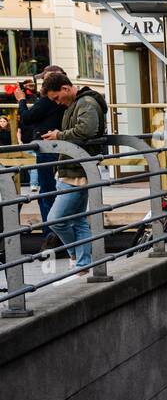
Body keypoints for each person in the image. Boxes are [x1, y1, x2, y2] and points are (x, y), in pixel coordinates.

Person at [40, 71, 107, 273]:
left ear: (65, 88)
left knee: (55, 220)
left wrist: (58, 135)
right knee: (78, 220)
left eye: (57, 97)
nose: (57, 102)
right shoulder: (76, 104)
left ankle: (77, 255)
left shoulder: (85, 103)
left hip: (76, 172)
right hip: (73, 169)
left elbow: (86, 130)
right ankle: (83, 264)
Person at [19, 70, 67, 238]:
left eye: (47, 80)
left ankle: (51, 233)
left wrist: (21, 101)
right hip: (60, 148)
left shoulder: (48, 101)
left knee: (47, 193)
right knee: (59, 191)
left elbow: (27, 118)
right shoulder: (58, 100)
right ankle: (58, 232)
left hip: (48, 149)